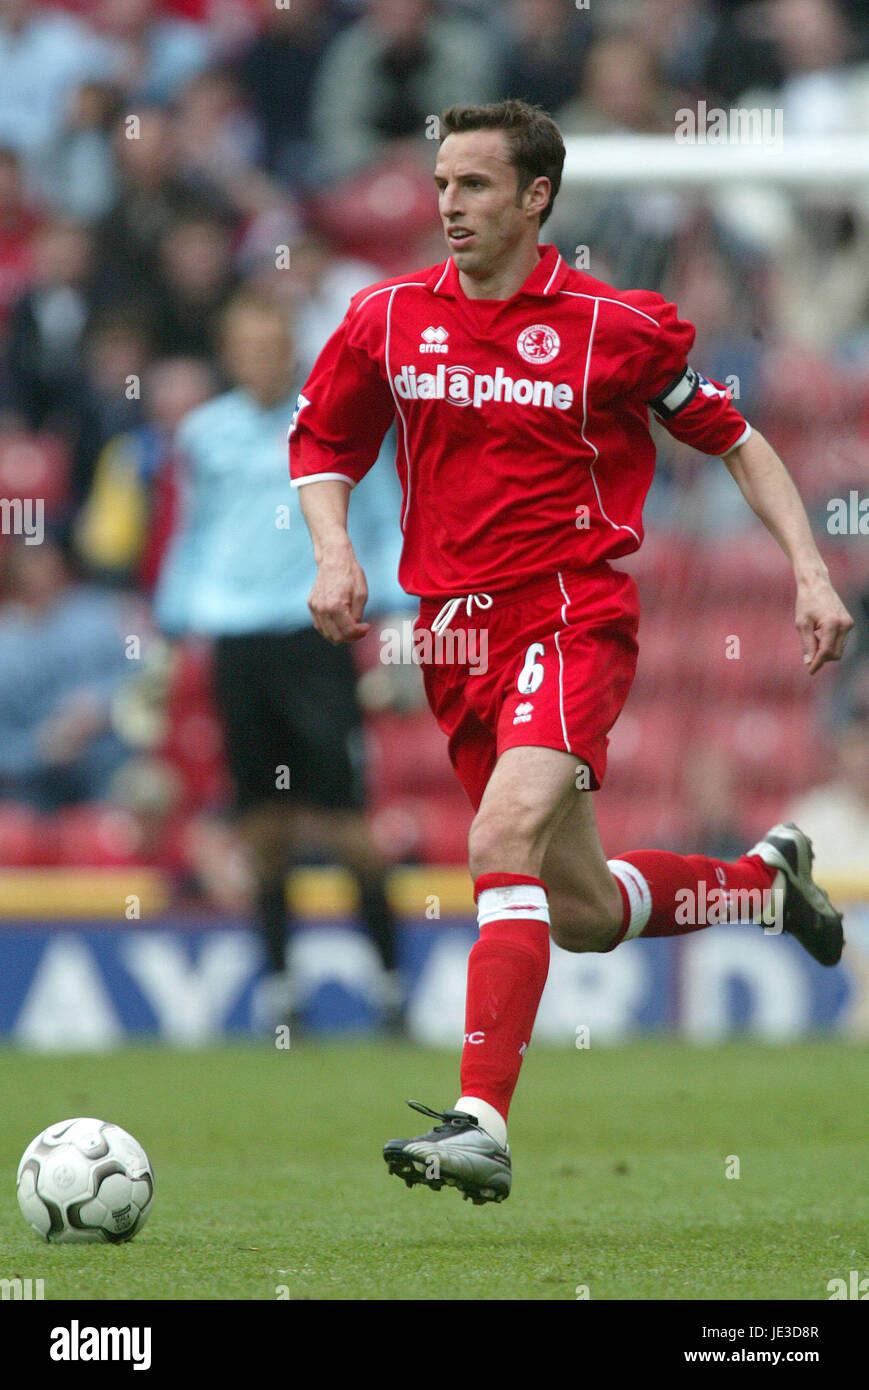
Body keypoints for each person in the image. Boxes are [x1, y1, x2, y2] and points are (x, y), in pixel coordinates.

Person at [289, 99, 855, 1205]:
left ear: (534, 198)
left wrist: (807, 567)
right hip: (451, 634)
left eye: (475, 186)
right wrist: (332, 554)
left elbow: (735, 440)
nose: (449, 204)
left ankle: (479, 1120)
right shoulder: (387, 317)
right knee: (585, 913)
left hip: (567, 614)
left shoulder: (613, 328)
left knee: (499, 833)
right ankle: (762, 883)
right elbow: (323, 443)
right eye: (442, 183)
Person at [154, 290, 407, 1032]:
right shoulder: (203, 435)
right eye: (247, 344)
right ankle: (280, 994)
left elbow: (382, 521)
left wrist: (397, 624)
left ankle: (389, 988)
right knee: (262, 826)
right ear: (229, 353)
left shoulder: (336, 421)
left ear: (291, 351)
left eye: (273, 343)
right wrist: (171, 632)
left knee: (346, 822)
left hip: (318, 638)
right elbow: (191, 534)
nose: (261, 357)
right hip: (238, 643)